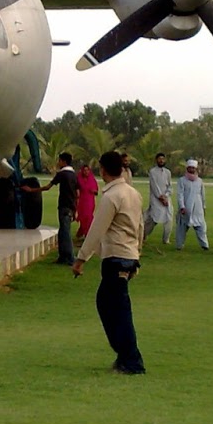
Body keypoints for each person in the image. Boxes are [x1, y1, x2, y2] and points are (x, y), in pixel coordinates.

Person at [75, 150, 145, 373]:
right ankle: (125, 356)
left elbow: (97, 230)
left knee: (116, 308)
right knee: (111, 304)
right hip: (128, 255)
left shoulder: (111, 197)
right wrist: (137, 254)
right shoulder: (133, 194)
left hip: (115, 257)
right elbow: (140, 227)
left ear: (102, 170)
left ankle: (130, 360)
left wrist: (81, 258)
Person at [43, 152, 79, 266]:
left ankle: (70, 257)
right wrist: (75, 208)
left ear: (63, 161)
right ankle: (63, 256)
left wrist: (32, 190)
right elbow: (77, 193)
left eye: (59, 160)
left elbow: (48, 187)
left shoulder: (62, 174)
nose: (58, 163)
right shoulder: (74, 175)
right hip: (71, 206)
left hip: (64, 206)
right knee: (63, 231)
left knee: (65, 232)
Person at [175, 159, 209, 251]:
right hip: (186, 207)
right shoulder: (182, 180)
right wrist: (182, 206)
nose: (191, 169)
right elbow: (180, 194)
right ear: (187, 168)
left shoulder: (199, 181)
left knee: (201, 227)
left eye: (193, 168)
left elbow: (202, 194)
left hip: (198, 207)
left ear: (195, 169)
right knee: (182, 227)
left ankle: (204, 245)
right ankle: (179, 245)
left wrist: (204, 207)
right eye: (190, 168)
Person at [145, 153, 174, 249]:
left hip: (166, 200)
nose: (161, 161)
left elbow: (170, 186)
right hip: (156, 200)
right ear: (156, 160)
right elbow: (154, 187)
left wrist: (166, 196)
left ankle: (166, 239)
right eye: (159, 159)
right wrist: (161, 198)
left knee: (169, 219)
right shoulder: (152, 172)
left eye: (163, 159)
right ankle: (143, 235)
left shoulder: (168, 172)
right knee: (153, 220)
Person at [76, 162, 99, 238]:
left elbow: (96, 191)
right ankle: (83, 232)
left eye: (87, 170)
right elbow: (76, 189)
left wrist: (93, 191)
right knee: (83, 218)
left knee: (88, 217)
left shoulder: (92, 179)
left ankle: (86, 234)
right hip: (82, 201)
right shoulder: (79, 179)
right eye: (84, 170)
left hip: (90, 202)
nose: (86, 172)